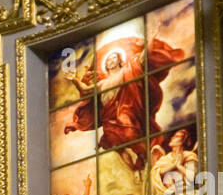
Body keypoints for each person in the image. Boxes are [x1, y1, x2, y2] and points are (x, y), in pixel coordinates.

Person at [62, 36, 185, 173]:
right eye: (108, 60)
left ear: (120, 60)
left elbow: (143, 58)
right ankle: (133, 172)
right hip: (108, 117)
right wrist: (74, 79)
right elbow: (85, 90)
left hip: (126, 111)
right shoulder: (102, 83)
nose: (110, 60)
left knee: (130, 133)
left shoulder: (128, 70)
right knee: (116, 146)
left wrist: (150, 41)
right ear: (106, 65)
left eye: (113, 57)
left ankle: (146, 161)